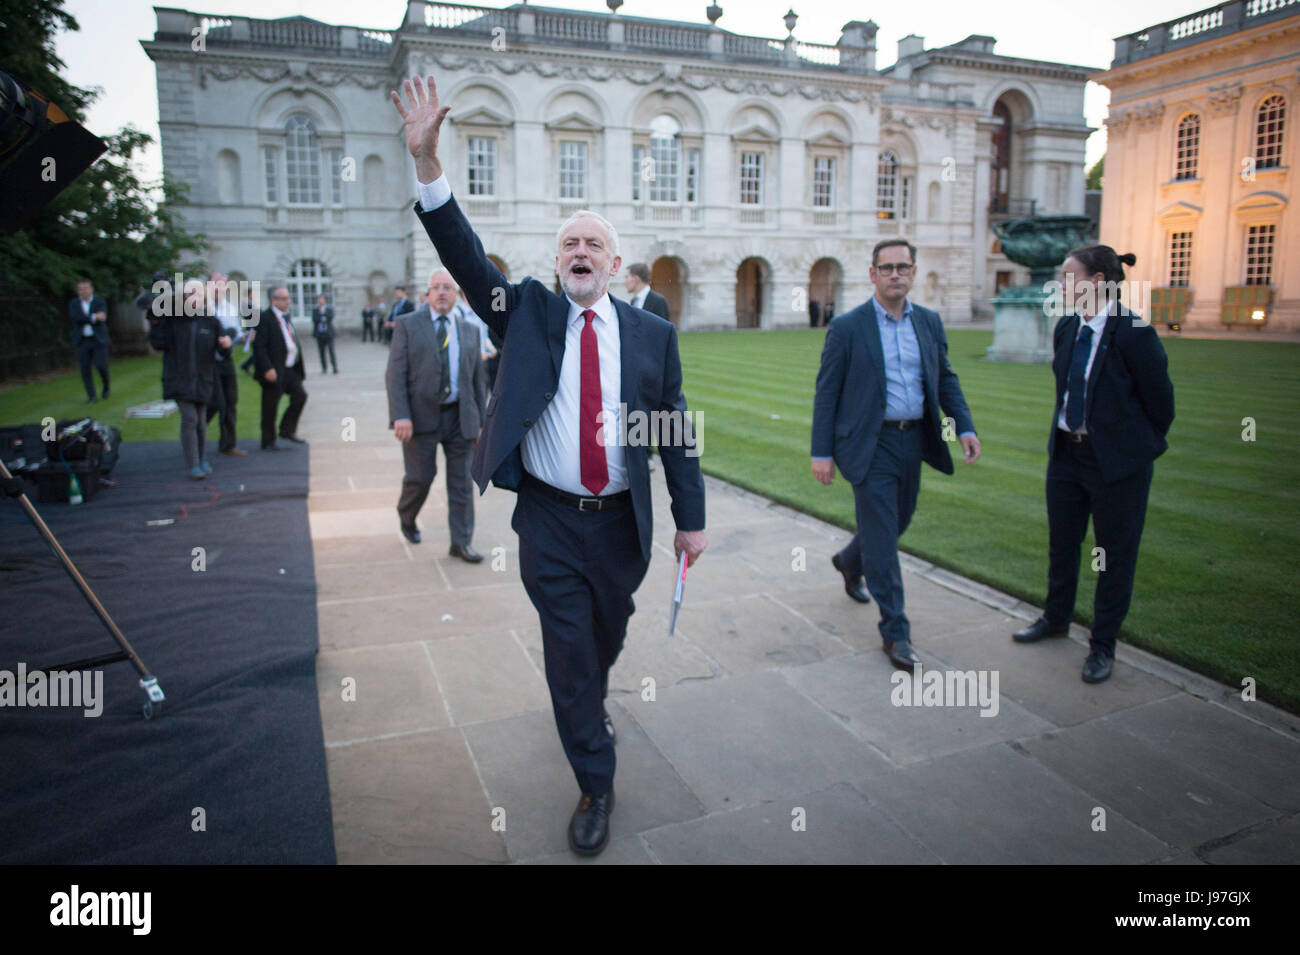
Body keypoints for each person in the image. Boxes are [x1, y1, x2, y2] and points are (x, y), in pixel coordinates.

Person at [392, 74, 707, 857]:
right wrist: (428, 163)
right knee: (570, 651)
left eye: (593, 243)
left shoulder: (650, 336)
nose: (580, 252)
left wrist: (692, 518)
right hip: (552, 522)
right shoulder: (526, 309)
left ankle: (585, 695)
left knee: (607, 630)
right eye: (569, 241)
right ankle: (596, 778)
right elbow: (463, 254)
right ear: (555, 258)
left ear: (616, 261)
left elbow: (673, 432)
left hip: (623, 528)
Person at [811, 238, 981, 672]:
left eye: (902, 267)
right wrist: (821, 452)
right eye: (886, 268)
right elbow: (826, 393)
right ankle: (896, 633)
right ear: (872, 274)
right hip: (870, 444)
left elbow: (945, 379)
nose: (895, 275)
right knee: (884, 541)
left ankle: (850, 560)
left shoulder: (928, 322)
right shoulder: (848, 328)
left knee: (896, 522)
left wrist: (963, 424)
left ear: (913, 272)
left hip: (914, 440)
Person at [1012, 246, 1174, 684]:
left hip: (1116, 466)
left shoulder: (1134, 333)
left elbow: (1161, 407)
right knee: (1063, 544)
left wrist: (1131, 449)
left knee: (1112, 556)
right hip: (1067, 454)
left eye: (1068, 276)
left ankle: (1102, 645)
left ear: (1098, 281)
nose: (1060, 284)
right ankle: (1056, 618)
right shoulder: (1067, 328)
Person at [387, 268, 488, 559]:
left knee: (461, 485)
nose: (442, 292)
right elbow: (395, 374)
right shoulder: (407, 324)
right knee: (420, 478)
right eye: (437, 287)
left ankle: (461, 542)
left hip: (460, 418)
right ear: (428, 294)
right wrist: (400, 416)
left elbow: (478, 380)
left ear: (457, 295)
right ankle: (407, 515)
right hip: (420, 418)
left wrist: (481, 422)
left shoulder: (470, 329)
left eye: (448, 287)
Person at [149, 279, 231, 478]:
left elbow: (222, 353)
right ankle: (193, 465)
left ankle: (202, 459)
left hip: (203, 379)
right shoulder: (173, 319)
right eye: (189, 293)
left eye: (198, 293)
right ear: (183, 297)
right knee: (190, 419)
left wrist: (226, 345)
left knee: (201, 422)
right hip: (179, 378)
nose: (194, 297)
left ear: (204, 297)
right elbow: (157, 339)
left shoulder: (211, 322)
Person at [253, 285, 308, 450]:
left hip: (290, 369)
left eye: (288, 298)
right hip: (274, 369)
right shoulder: (265, 318)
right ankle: (268, 440)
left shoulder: (285, 317)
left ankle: (287, 430)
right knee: (270, 405)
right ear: (273, 300)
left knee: (300, 396)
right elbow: (259, 347)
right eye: (283, 299)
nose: (287, 302)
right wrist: (267, 368)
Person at [206, 273, 247, 457]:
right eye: (216, 285)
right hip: (208, 361)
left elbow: (236, 335)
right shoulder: (202, 309)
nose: (219, 289)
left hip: (226, 361)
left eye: (222, 286)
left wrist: (244, 337)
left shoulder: (229, 308)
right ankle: (194, 436)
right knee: (214, 403)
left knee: (231, 401)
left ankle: (228, 444)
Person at [68, 278, 110, 402]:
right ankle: (91, 395)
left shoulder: (99, 302)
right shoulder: (74, 304)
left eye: (85, 288)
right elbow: (76, 318)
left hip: (98, 340)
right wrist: (93, 317)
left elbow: (102, 317)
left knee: (101, 365)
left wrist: (89, 317)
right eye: (80, 289)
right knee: (85, 368)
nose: (83, 291)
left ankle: (106, 387)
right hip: (82, 340)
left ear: (91, 289)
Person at [455, 288, 499, 391]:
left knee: (483, 394)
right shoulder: (458, 313)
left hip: (483, 363)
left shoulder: (480, 312)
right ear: (463, 294)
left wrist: (491, 348)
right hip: (467, 364)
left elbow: (484, 336)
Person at [312, 294, 338, 374]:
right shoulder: (315, 310)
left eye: (322, 299)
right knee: (321, 352)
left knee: (331, 350)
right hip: (320, 334)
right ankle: (324, 368)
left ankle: (334, 367)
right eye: (319, 299)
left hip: (328, 333)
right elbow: (315, 319)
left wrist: (322, 315)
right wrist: (322, 317)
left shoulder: (329, 309)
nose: (320, 301)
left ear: (325, 300)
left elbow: (330, 317)